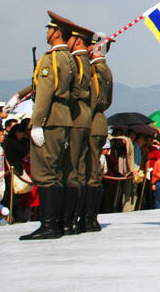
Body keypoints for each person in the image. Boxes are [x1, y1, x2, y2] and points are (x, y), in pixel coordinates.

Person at [21, 12, 81, 241]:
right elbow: (76, 91)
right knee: (55, 173)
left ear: (56, 33)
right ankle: (54, 223)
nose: (47, 32)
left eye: (49, 29)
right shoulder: (70, 59)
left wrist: (37, 123)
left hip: (50, 119)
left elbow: (45, 92)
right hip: (62, 117)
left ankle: (48, 225)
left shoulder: (52, 58)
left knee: (45, 173)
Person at [62, 19, 97, 233]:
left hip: (76, 117)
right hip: (84, 117)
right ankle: (81, 219)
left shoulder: (80, 61)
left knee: (72, 170)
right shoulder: (84, 61)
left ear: (76, 40)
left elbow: (85, 93)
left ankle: (69, 220)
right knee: (80, 169)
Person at [78, 37, 113, 233]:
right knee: (91, 173)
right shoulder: (103, 68)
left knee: (88, 173)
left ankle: (88, 218)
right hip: (98, 123)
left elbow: (96, 99)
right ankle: (89, 218)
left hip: (90, 123)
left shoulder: (97, 69)